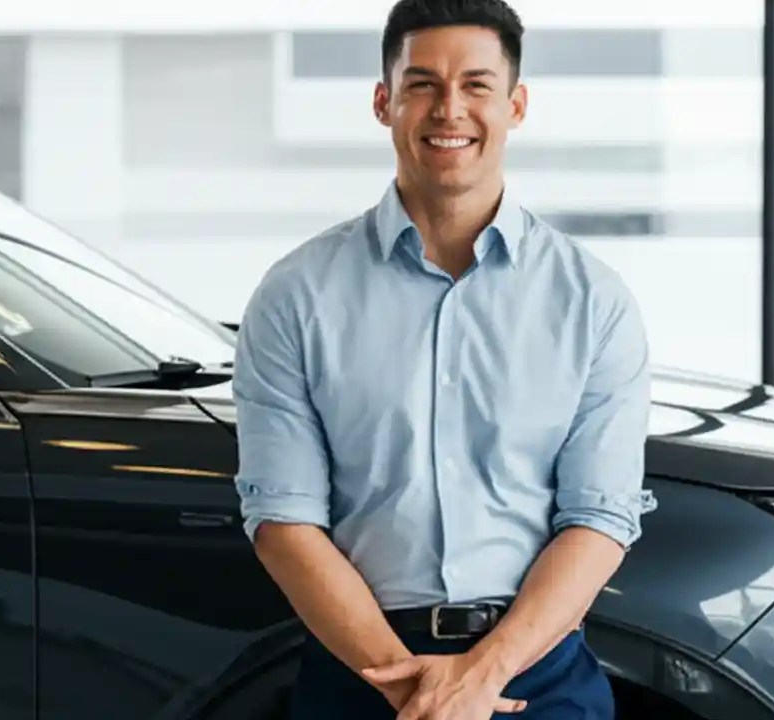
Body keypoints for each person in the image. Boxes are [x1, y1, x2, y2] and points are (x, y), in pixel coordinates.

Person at [231, 0, 652, 717]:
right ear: (383, 102)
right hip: (362, 673)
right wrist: (416, 692)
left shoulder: (593, 301)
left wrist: (481, 677)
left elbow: (600, 517)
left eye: (476, 85)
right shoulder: (295, 296)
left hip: (535, 674)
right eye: (421, 84)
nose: (449, 109)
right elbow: (282, 520)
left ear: (515, 105)